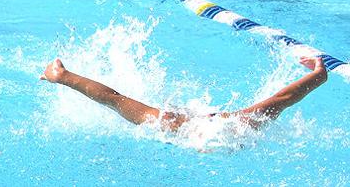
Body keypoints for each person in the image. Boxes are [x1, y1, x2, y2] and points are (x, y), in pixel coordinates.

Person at [40, 57, 328, 135]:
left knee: (116, 100)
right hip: (194, 129)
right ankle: (62, 76)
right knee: (116, 101)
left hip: (185, 128)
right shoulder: (244, 124)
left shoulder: (243, 123)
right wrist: (318, 73)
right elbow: (284, 97)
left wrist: (318, 74)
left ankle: (61, 75)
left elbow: (284, 97)